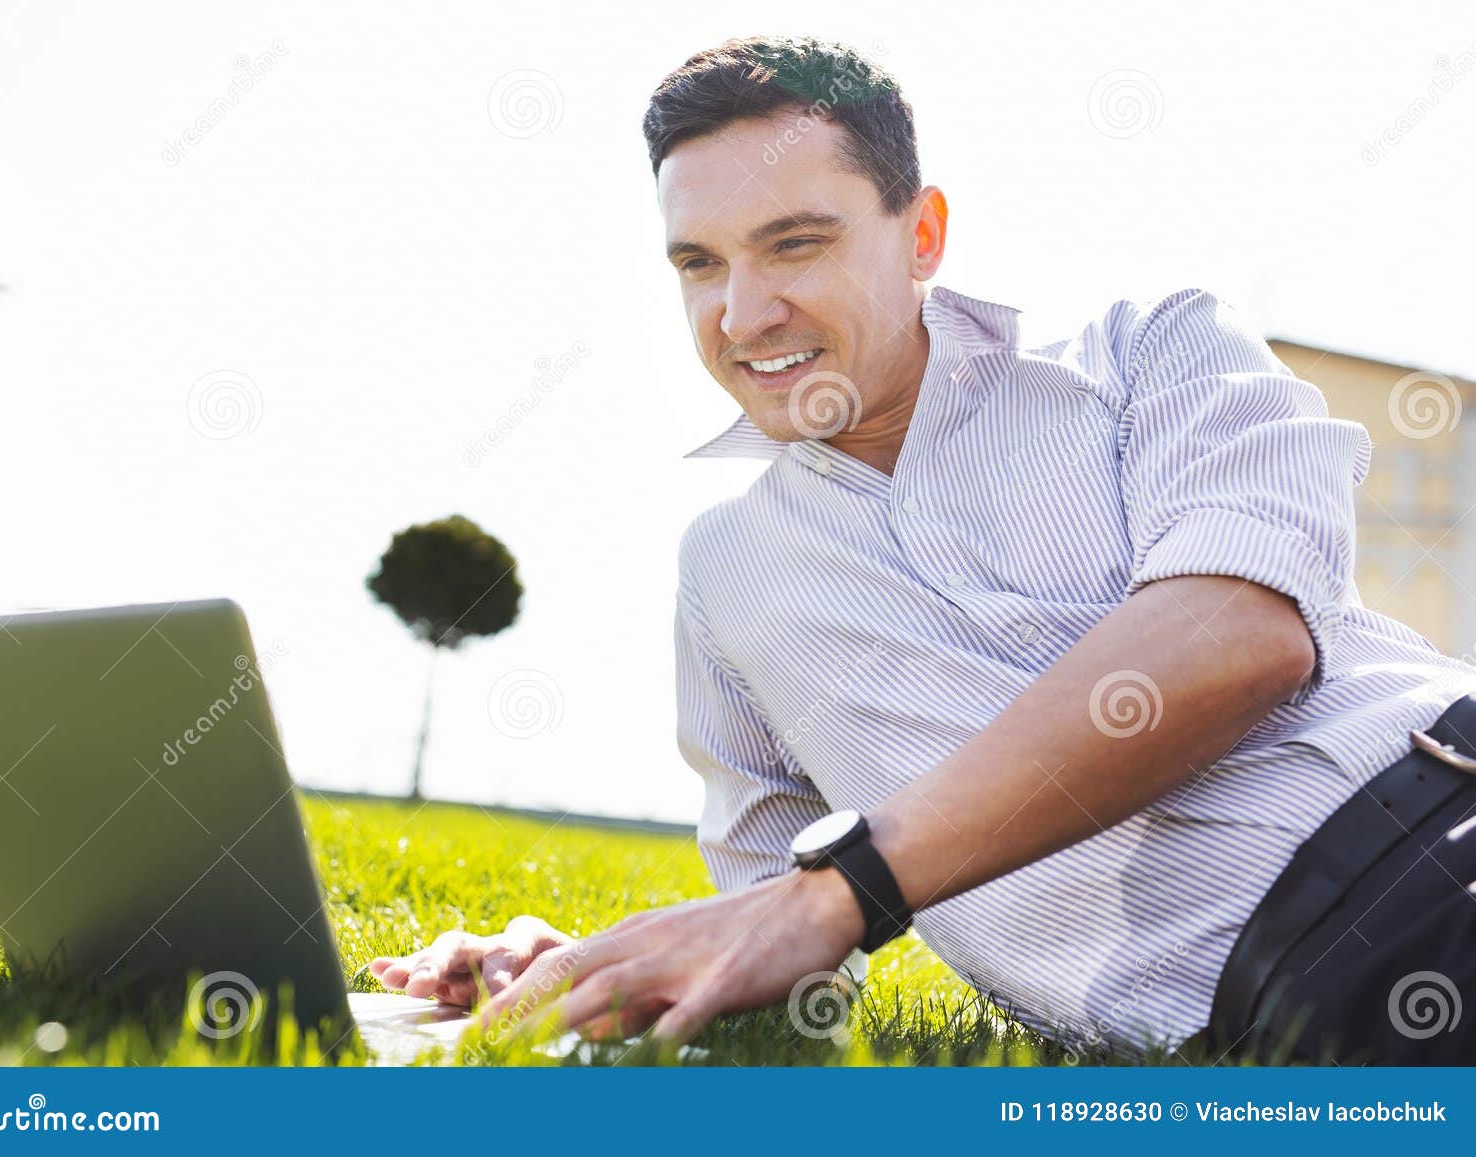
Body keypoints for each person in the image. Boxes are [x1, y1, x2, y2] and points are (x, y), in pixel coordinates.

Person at [372, 35, 1476, 1063]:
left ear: (922, 236)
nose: (742, 314)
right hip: (1274, 1030)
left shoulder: (1149, 349)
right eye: (699, 264)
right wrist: (595, 967)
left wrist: (846, 884)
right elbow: (784, 950)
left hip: (1446, 826)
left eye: (794, 243)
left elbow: (1237, 634)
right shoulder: (722, 580)